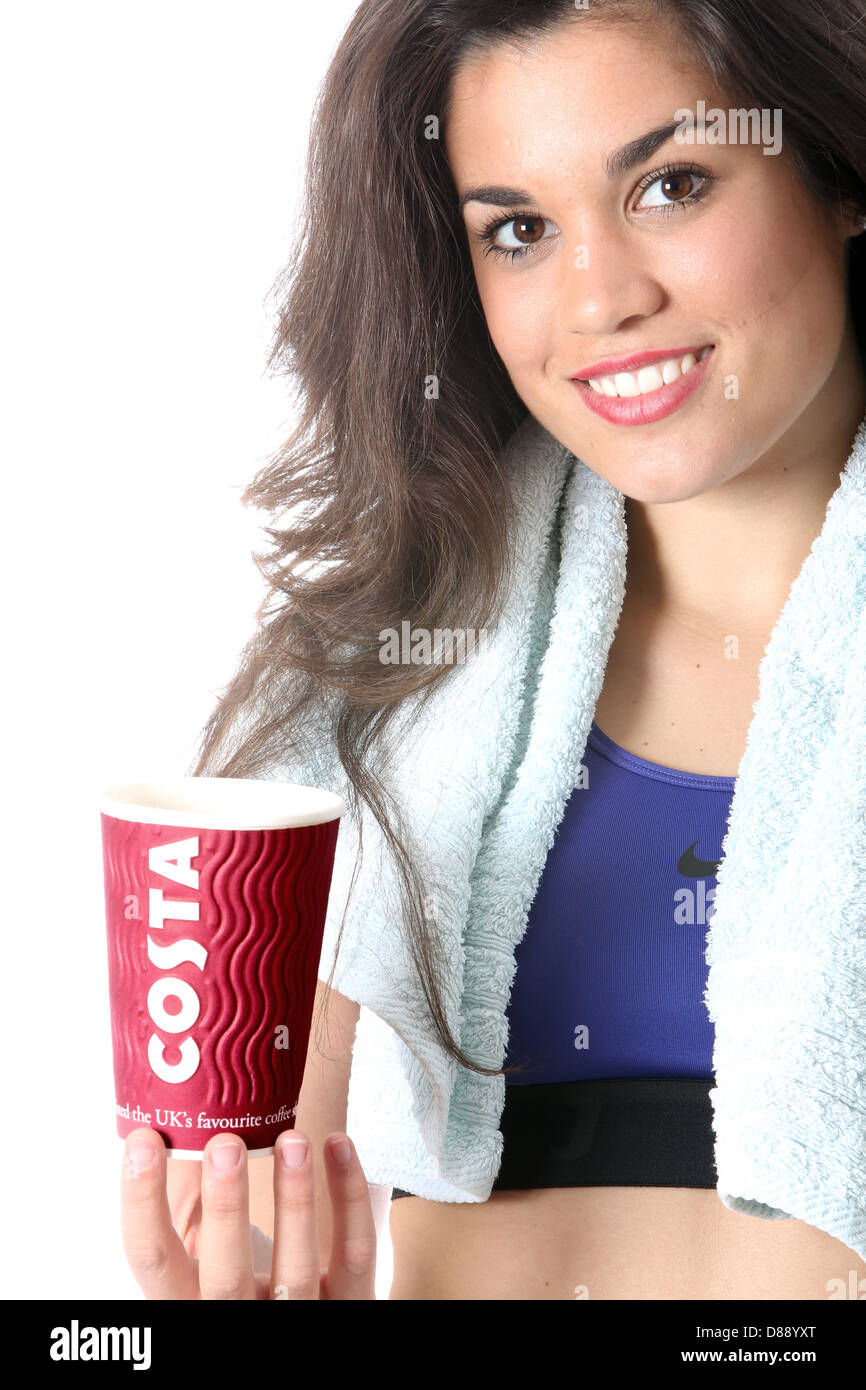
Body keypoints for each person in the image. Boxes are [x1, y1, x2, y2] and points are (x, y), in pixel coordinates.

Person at [120, 0, 866, 1300]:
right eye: (518, 228)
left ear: (836, 170)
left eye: (671, 183)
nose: (599, 298)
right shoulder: (367, 682)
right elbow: (254, 1179)